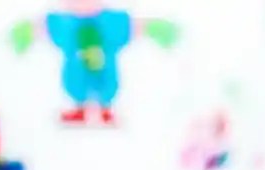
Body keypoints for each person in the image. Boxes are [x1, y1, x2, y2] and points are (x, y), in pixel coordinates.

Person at [12, 0, 178, 126]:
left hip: (105, 75)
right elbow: (44, 27)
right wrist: (26, 32)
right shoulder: (65, 23)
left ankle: (104, 108)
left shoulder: (111, 23)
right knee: (76, 83)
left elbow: (133, 26)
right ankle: (81, 108)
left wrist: (154, 28)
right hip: (75, 77)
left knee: (105, 83)